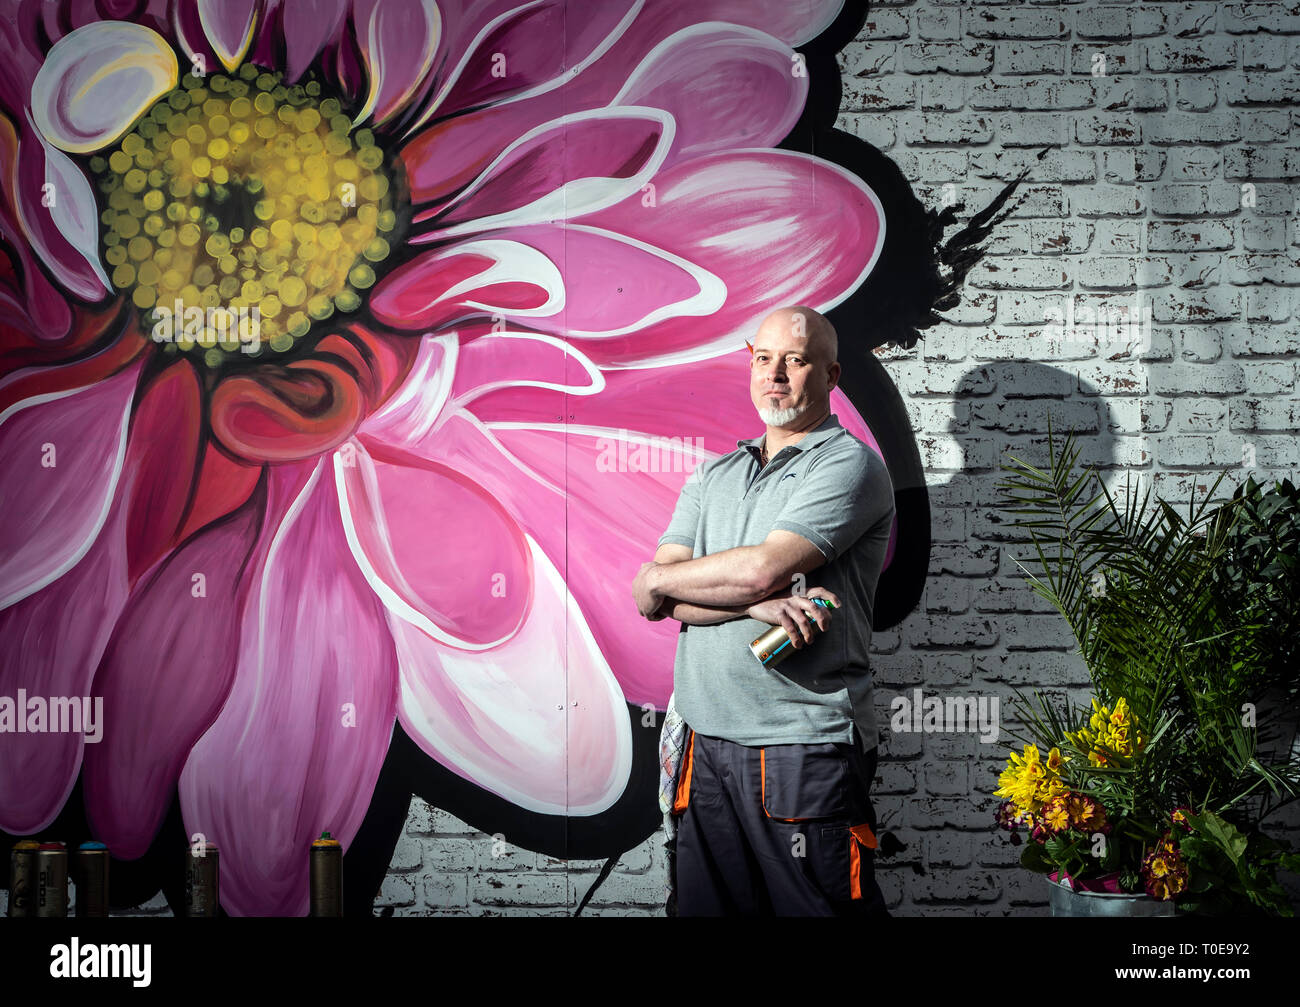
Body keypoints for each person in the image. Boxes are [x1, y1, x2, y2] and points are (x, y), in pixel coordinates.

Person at [633, 305, 895, 916]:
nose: (775, 375)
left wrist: (667, 580)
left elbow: (759, 570)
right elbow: (658, 602)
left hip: (800, 749)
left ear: (831, 376)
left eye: (795, 361)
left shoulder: (848, 466)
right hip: (705, 743)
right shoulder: (713, 473)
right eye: (762, 359)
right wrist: (754, 609)